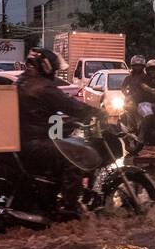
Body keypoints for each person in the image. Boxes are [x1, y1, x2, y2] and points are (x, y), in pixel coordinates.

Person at [16, 46, 98, 203]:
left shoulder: (23, 81)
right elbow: (68, 104)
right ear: (46, 67)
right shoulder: (42, 87)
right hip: (34, 142)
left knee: (65, 146)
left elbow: (42, 114)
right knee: (74, 156)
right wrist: (96, 112)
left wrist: (69, 122)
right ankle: (70, 207)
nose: (54, 73)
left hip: (25, 138)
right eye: (53, 69)